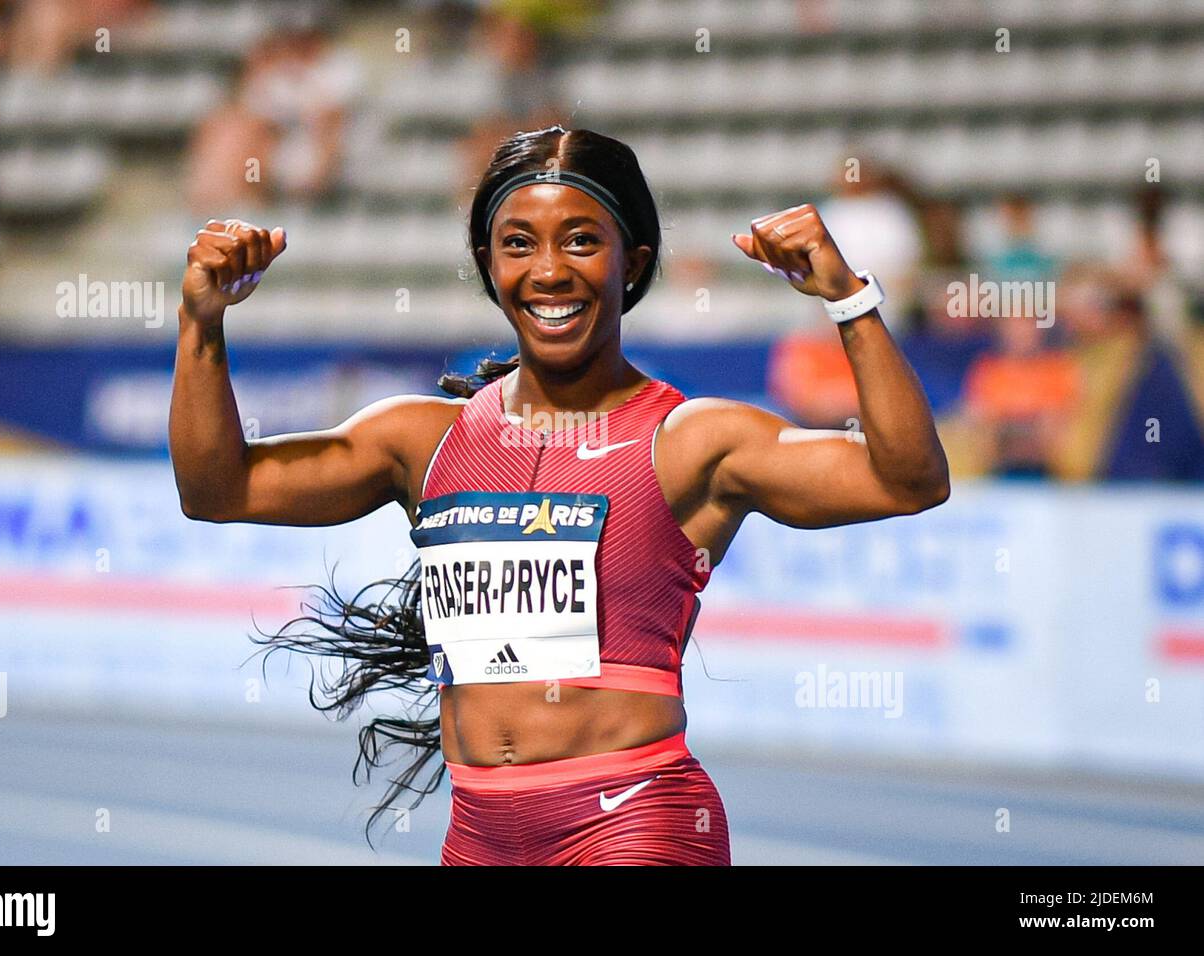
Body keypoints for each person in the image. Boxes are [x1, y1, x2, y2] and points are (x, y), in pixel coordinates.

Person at [168, 126, 950, 866]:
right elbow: (216, 488)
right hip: (478, 834)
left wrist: (848, 300)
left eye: (582, 240)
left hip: (637, 823)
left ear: (632, 263)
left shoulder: (690, 442)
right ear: (488, 263)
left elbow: (907, 479)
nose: (549, 270)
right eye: (519, 244)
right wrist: (202, 323)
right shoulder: (420, 440)